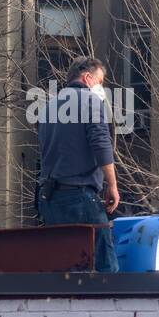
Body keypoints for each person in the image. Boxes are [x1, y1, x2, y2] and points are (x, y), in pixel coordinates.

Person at [36, 57, 119, 272]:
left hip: (50, 197)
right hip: (79, 195)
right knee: (105, 268)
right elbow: (101, 143)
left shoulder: (48, 105)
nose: (101, 87)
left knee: (67, 269)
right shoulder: (90, 102)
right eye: (100, 81)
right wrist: (112, 185)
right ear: (87, 77)